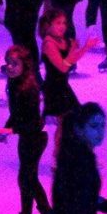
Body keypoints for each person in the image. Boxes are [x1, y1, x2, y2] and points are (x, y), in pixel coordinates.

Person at [0, 45, 50, 214]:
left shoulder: (29, 89)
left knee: (27, 178)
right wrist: (8, 128)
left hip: (35, 138)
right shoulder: (15, 84)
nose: (9, 66)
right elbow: (17, 114)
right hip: (27, 138)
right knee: (26, 178)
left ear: (25, 66)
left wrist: (11, 130)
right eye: (7, 62)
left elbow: (34, 122)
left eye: (15, 63)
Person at [38, 8, 95, 154]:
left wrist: (85, 48)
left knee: (71, 121)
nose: (62, 26)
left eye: (64, 22)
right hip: (54, 88)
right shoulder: (49, 43)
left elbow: (70, 62)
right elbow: (63, 67)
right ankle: (58, 157)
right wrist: (72, 51)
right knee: (64, 123)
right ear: (48, 25)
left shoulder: (62, 41)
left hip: (63, 86)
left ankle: (71, 155)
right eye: (58, 23)